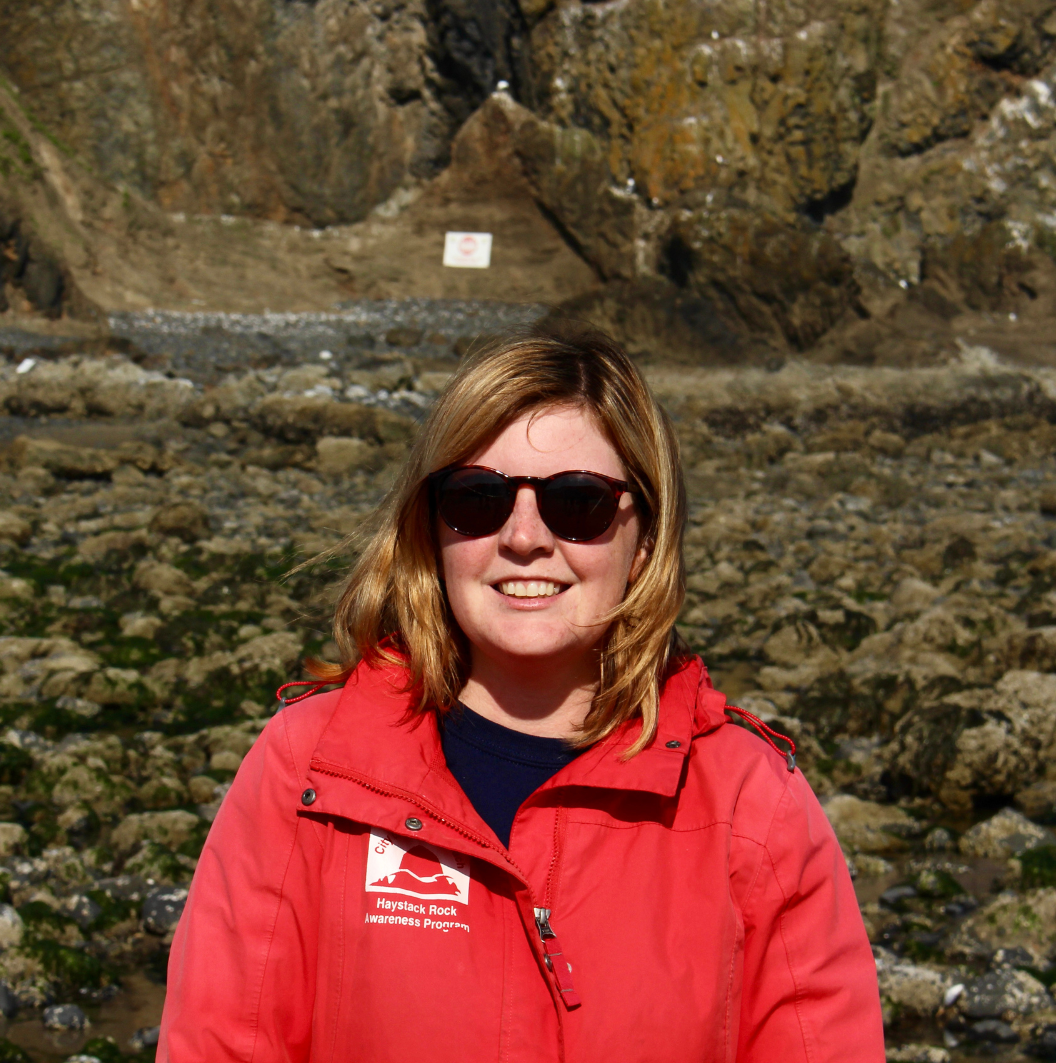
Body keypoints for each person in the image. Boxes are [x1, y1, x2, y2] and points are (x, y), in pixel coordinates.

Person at [158, 326, 884, 1062]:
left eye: (579, 502)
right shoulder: (309, 770)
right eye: (478, 499)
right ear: (430, 527)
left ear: (644, 542)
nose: (525, 537)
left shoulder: (749, 806)